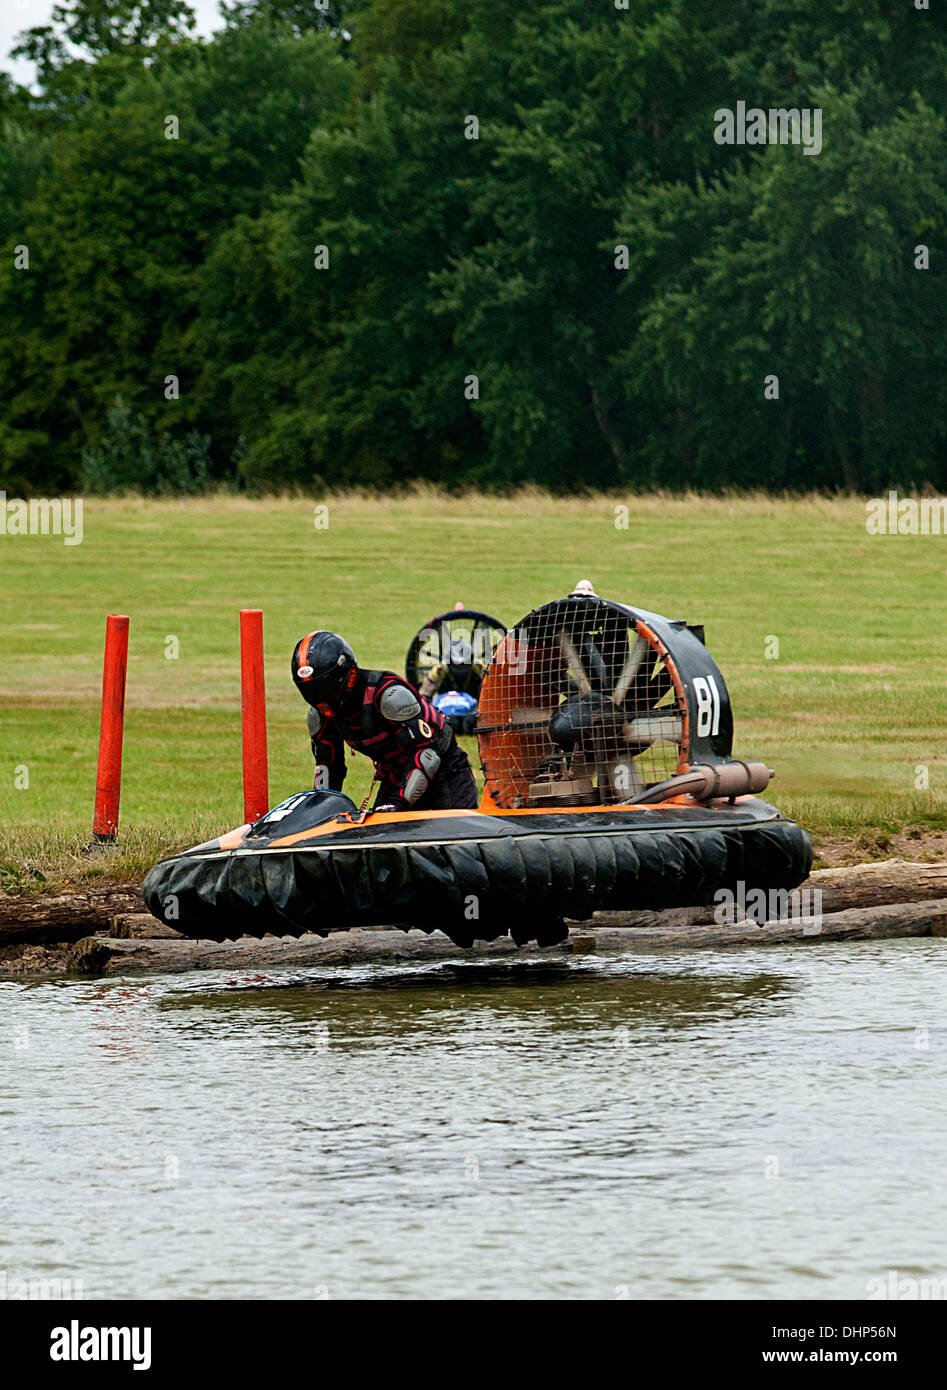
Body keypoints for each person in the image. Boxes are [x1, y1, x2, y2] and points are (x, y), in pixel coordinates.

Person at [291, 630, 479, 811]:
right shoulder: (320, 716)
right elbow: (328, 766)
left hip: (446, 774)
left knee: (453, 835)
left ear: (344, 674)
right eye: (310, 690)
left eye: (324, 687)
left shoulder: (389, 696)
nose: (319, 698)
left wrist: (398, 803)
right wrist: (322, 810)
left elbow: (426, 755)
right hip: (397, 775)